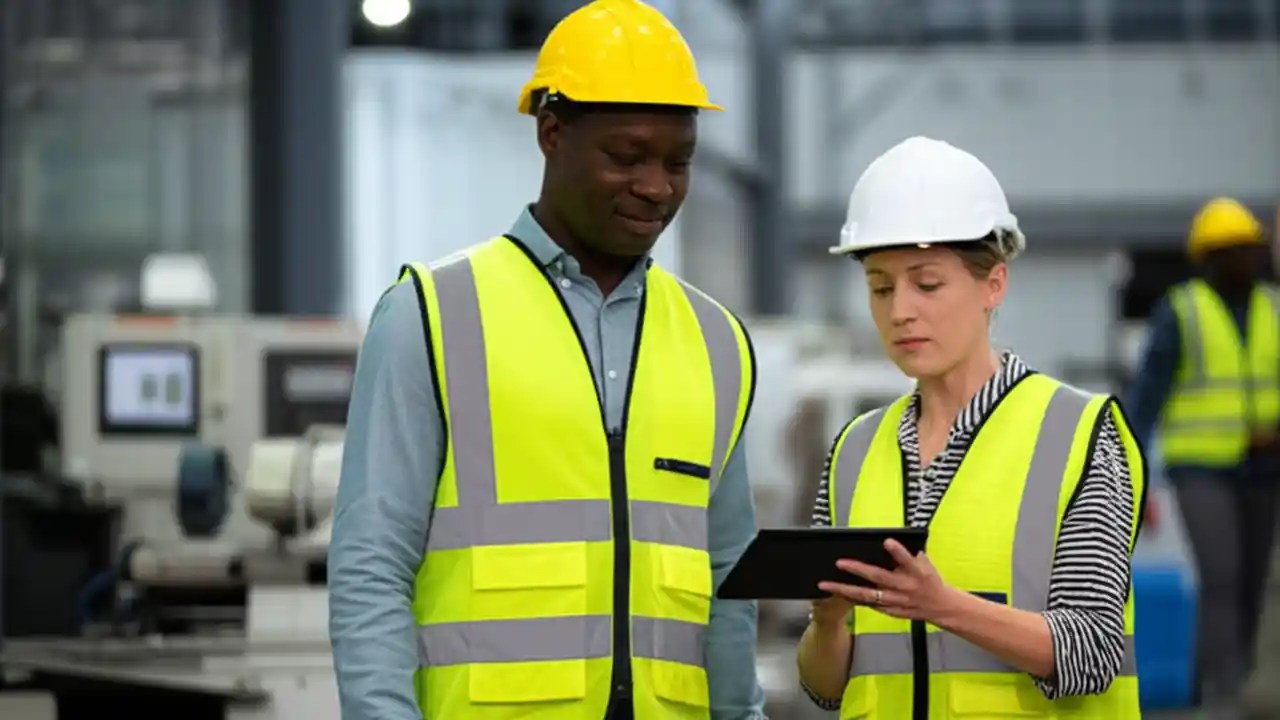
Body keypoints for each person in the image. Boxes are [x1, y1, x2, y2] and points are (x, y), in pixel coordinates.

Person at [327, 2, 768, 719]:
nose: (657, 187)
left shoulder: (717, 343)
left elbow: (727, 585)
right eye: (627, 157)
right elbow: (372, 569)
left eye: (677, 161)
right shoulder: (432, 316)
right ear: (552, 133)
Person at [794, 136, 1147, 719]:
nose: (900, 309)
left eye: (926, 283)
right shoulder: (854, 451)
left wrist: (942, 605)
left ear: (994, 285)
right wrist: (825, 622)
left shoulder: (1079, 435)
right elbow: (825, 688)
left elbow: (1091, 652)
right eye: (881, 287)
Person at [1124, 196, 1280, 718]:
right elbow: (1144, 402)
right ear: (1208, 256)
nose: (1247, 261)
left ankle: (1216, 681)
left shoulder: (1272, 308)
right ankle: (1223, 696)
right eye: (1234, 251)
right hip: (1200, 469)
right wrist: (1137, 480)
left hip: (1263, 469)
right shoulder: (1182, 311)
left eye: (1251, 250)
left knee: (1254, 580)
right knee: (1222, 575)